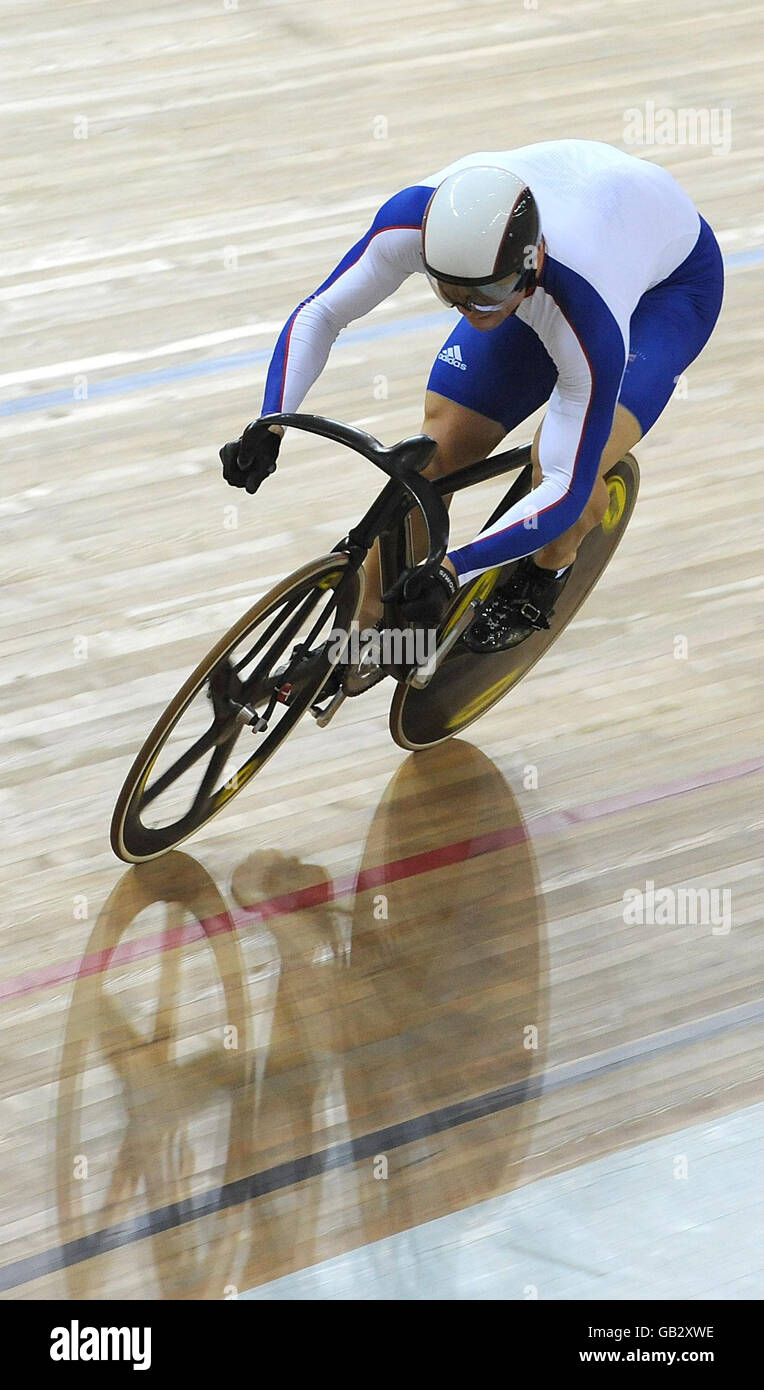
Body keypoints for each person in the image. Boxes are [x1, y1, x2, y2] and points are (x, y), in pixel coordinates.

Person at [220, 139, 723, 652]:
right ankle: (366, 636)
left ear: (533, 262)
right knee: (433, 456)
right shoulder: (413, 224)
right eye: (453, 295)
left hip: (666, 293)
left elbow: (564, 485)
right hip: (557, 254)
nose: (473, 311)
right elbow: (321, 313)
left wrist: (454, 568)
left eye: (487, 295)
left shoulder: (586, 312)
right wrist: (270, 422)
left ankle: (544, 576)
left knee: (566, 467)